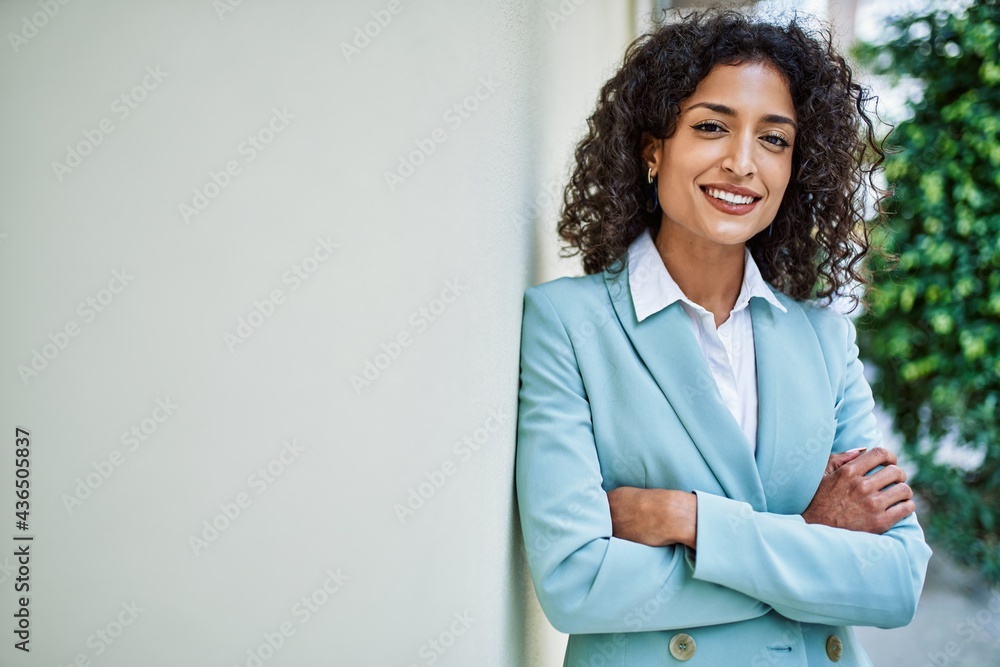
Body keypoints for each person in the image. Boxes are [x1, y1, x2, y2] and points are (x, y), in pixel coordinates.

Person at [514, 9, 932, 666]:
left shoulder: (824, 339)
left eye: (774, 139)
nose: (742, 164)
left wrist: (691, 520)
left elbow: (896, 580)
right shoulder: (568, 325)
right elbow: (578, 582)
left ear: (797, 165)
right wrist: (810, 536)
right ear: (655, 146)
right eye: (712, 127)